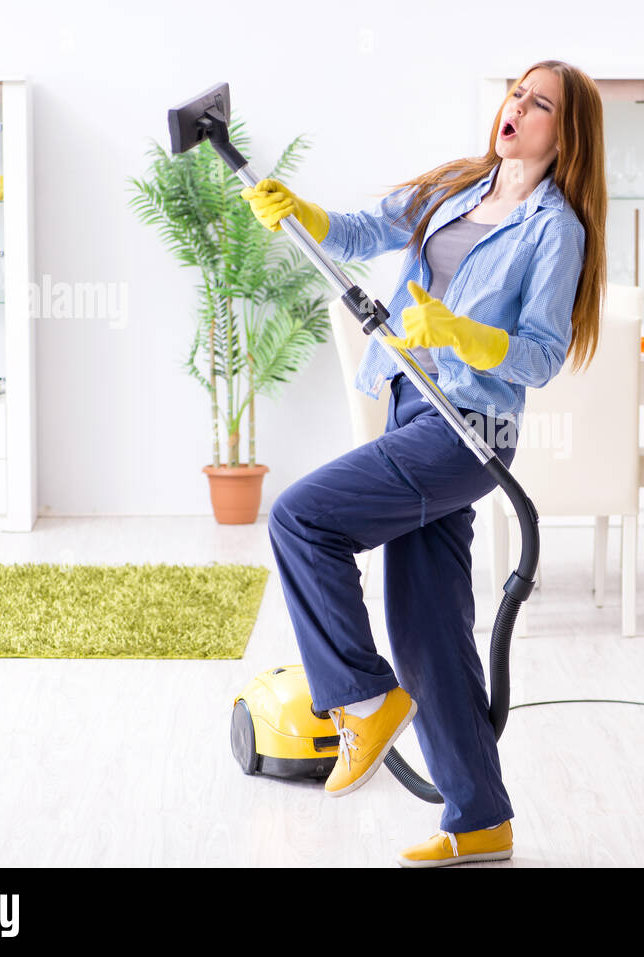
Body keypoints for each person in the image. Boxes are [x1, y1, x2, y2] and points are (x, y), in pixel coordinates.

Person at [242, 60, 605, 867]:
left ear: (564, 131)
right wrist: (300, 212)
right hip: (413, 410)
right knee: (429, 625)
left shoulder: (557, 229)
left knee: (302, 517)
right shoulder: (456, 186)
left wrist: (466, 337)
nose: (517, 106)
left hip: (469, 430)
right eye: (516, 92)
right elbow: (366, 228)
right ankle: (480, 818)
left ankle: (363, 697)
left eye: (539, 103)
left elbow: (542, 356)